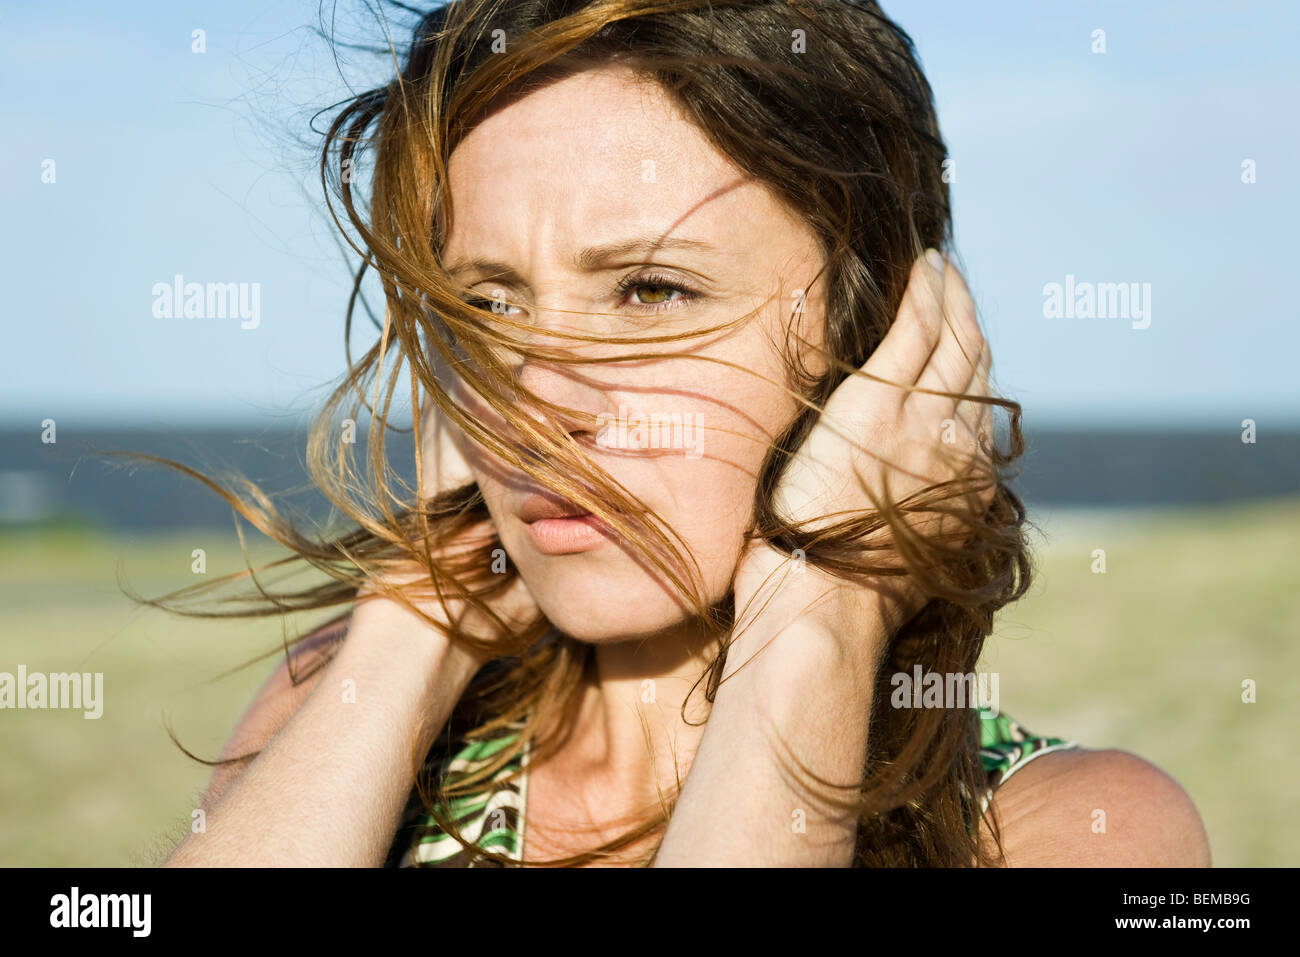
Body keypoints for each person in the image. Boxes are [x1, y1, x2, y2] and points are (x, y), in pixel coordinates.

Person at [160, 0, 1211, 867]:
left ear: (881, 341)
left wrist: (823, 608)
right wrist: (416, 621)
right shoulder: (349, 704)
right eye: (487, 306)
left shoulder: (1061, 830)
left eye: (651, 291)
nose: (535, 401)